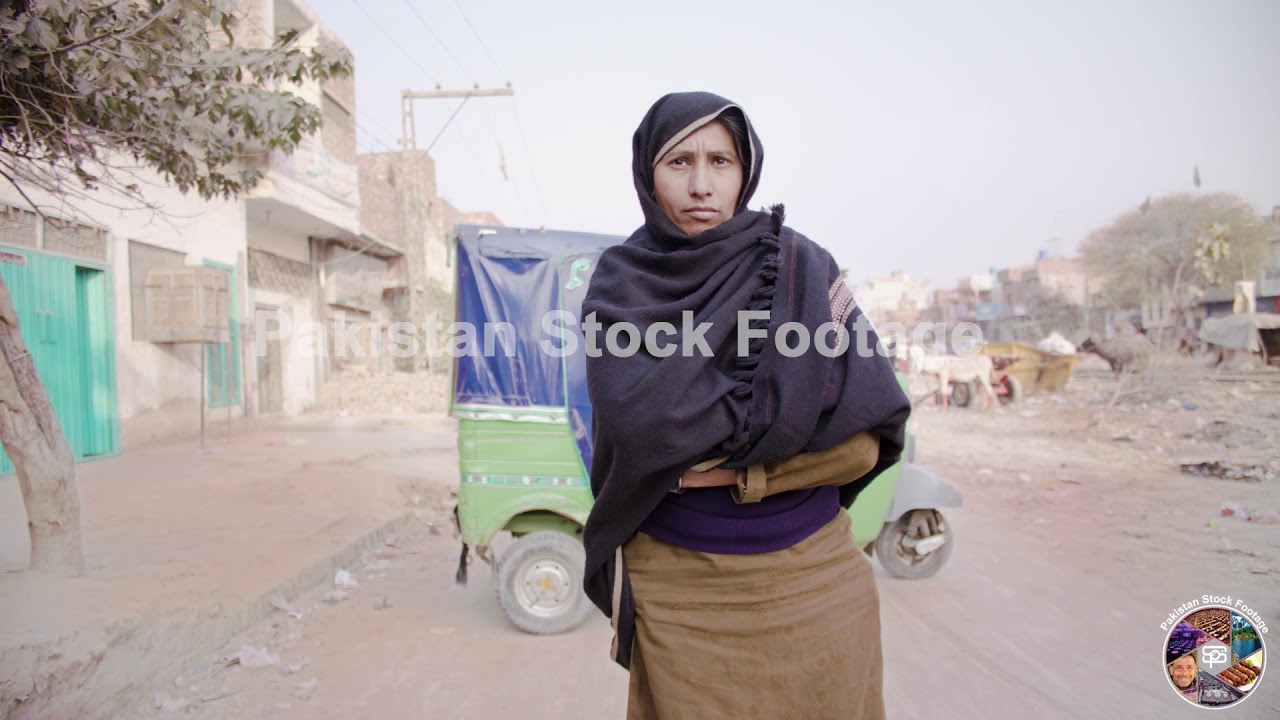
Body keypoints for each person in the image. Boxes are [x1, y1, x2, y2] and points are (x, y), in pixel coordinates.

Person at [581, 91, 911, 719]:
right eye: (679, 163)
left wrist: (714, 465)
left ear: (746, 169)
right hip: (679, 588)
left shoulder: (801, 268)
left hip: (813, 579)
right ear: (648, 173)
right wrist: (786, 423)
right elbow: (644, 427)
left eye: (721, 161)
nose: (702, 184)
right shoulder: (623, 282)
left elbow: (865, 434)